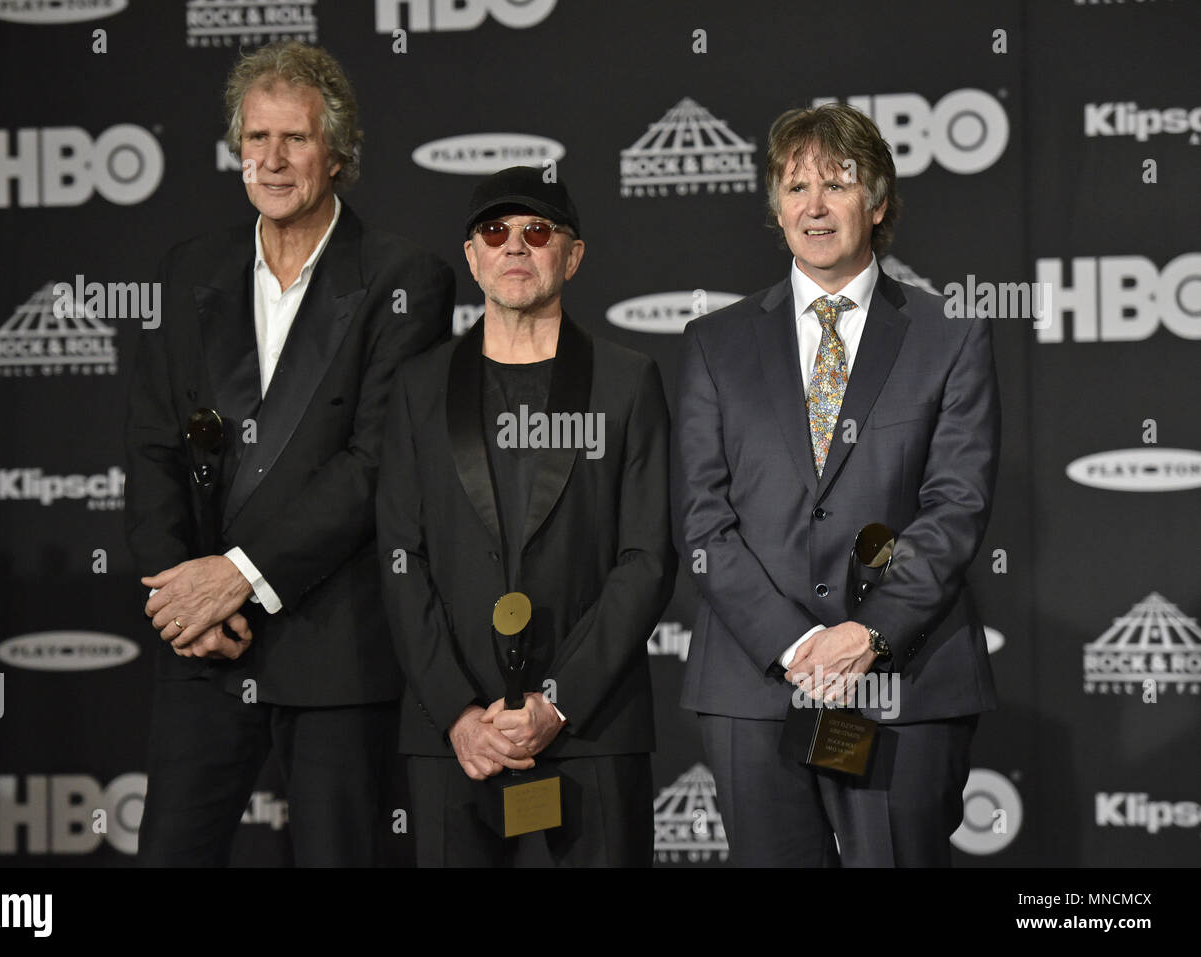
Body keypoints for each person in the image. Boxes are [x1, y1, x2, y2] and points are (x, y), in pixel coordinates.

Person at [125, 41, 454, 866]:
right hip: (204, 644)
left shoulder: (401, 279)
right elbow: (154, 446)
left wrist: (235, 575)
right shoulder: (187, 272)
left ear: (337, 154)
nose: (272, 161)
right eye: (256, 139)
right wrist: (181, 596)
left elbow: (374, 463)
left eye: (295, 140)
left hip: (335, 648)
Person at [672, 103, 1001, 866]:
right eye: (795, 187)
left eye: (838, 184)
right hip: (754, 690)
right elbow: (702, 522)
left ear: (878, 201)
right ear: (777, 207)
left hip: (904, 686)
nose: (814, 206)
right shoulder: (714, 345)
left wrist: (868, 632)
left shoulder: (949, 335)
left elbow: (956, 505)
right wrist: (796, 645)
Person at [376, 166, 676, 866]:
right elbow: (400, 556)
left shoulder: (628, 382)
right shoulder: (419, 388)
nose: (515, 246)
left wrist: (557, 699)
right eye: (495, 232)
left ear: (571, 255)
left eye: (537, 231)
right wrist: (456, 709)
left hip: (590, 725)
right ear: (472, 256)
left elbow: (647, 559)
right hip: (457, 735)